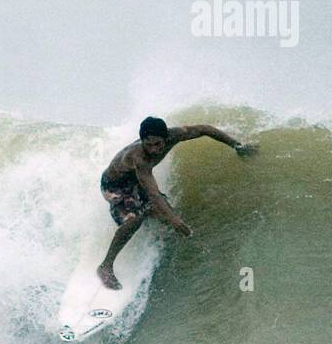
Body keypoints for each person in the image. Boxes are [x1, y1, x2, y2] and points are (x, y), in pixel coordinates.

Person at [97, 116, 256, 289]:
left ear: (166, 138)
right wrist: (174, 219)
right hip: (114, 186)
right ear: (142, 141)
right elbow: (153, 194)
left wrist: (237, 145)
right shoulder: (139, 157)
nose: (153, 149)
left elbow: (205, 129)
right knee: (134, 218)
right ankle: (105, 266)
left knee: (161, 214)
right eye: (148, 145)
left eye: (157, 144)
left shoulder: (176, 135)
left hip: (135, 181)